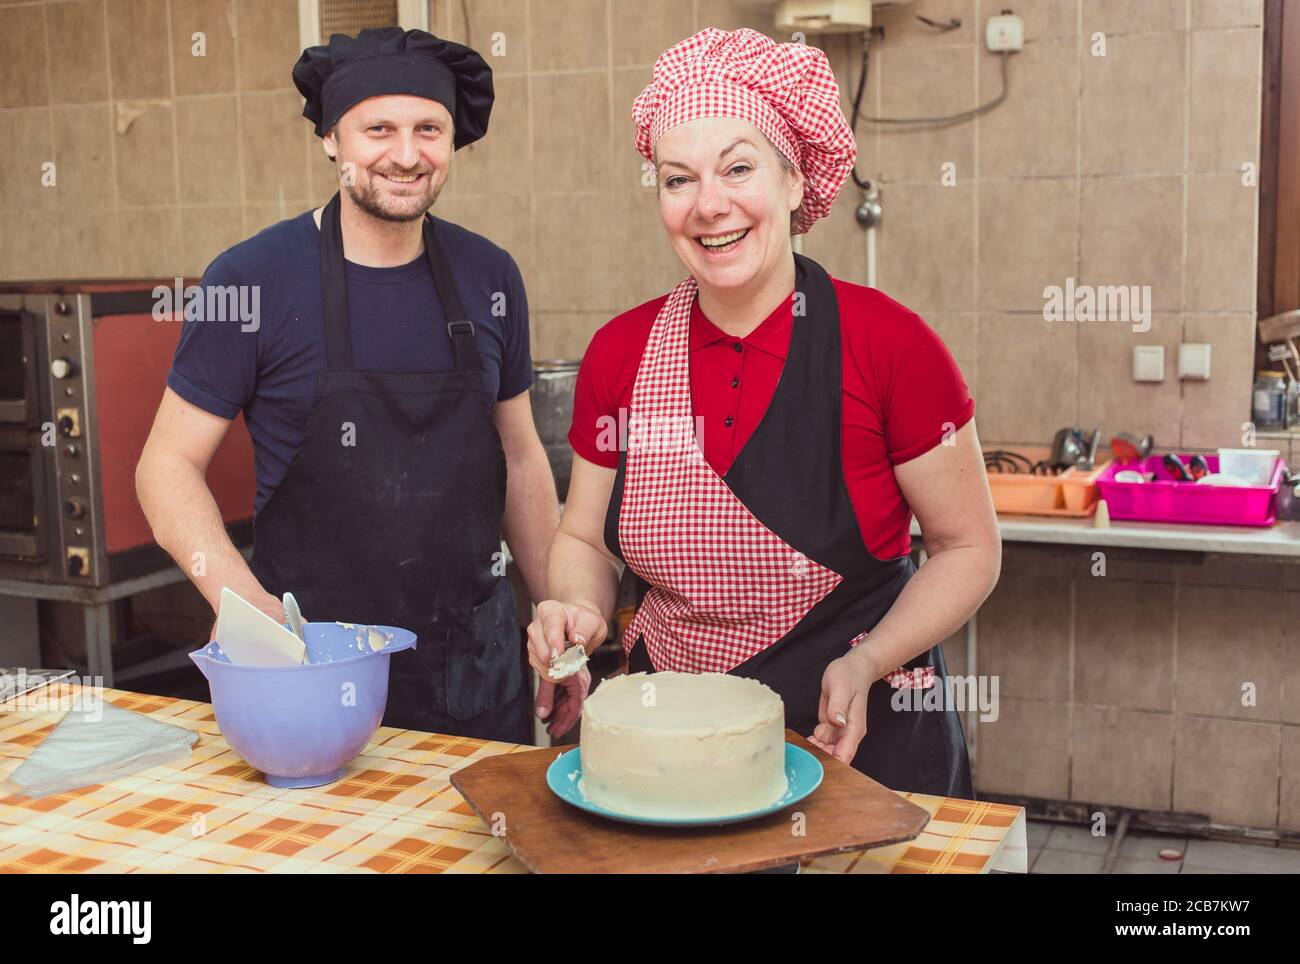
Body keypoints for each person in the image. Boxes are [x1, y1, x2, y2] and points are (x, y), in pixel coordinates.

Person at [526, 28, 1000, 795]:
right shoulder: (621, 354)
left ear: (792, 180)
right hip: (673, 748)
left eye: (738, 168)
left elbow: (968, 548)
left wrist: (870, 660)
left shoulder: (891, 344)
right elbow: (583, 534)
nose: (709, 206)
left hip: (857, 740)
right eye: (678, 180)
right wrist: (576, 609)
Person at [137, 28, 558, 742]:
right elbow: (165, 465)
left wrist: (558, 619)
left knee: (478, 855)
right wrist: (240, 598)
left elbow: (520, 457)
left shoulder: (491, 276)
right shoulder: (248, 280)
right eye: (378, 129)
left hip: (474, 674)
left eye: (429, 129)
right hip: (307, 667)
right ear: (333, 138)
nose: (405, 153)